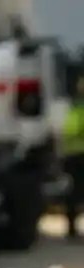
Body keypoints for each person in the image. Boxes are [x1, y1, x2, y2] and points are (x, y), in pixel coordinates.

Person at [60, 79, 84, 239]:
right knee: (75, 192)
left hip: (72, 155)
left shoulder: (73, 107)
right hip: (78, 155)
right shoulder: (78, 108)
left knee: (74, 192)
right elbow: (72, 130)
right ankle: (71, 228)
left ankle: (71, 228)